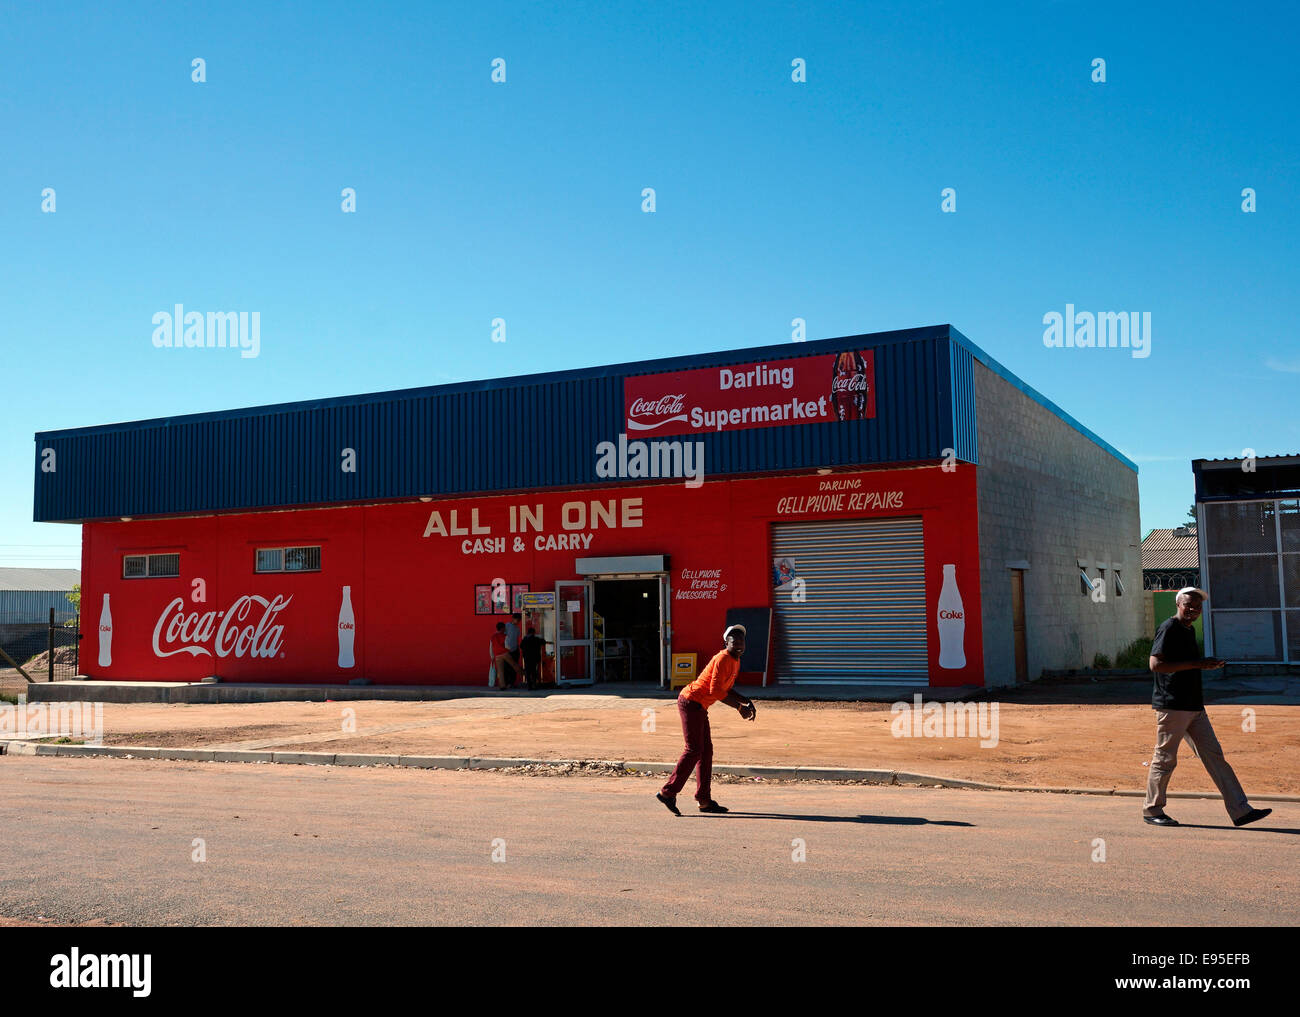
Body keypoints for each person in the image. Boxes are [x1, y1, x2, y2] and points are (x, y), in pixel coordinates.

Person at [1143, 587, 1271, 828]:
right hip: (1173, 706)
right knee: (1165, 759)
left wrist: (1203, 665)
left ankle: (1240, 811)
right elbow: (1155, 664)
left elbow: (1188, 665)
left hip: (1193, 706)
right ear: (1178, 604)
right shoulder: (1169, 628)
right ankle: (1152, 810)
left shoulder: (1188, 630)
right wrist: (1197, 664)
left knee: (1215, 757)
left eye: (1198, 607)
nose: (1193, 610)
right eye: (1189, 605)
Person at [656, 624, 756, 816]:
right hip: (690, 702)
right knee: (693, 750)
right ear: (726, 642)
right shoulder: (723, 658)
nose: (740, 644)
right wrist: (738, 707)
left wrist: (746, 701)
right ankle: (667, 792)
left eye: (742, 641)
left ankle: (704, 800)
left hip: (700, 706)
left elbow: (725, 688)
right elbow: (716, 691)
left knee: (706, 751)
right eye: (735, 641)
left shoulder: (734, 660)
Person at [489, 621, 519, 691]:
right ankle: (524, 675)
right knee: (514, 665)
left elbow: (491, 647)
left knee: (500, 671)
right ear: (502, 628)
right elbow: (507, 645)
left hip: (497, 655)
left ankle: (502, 686)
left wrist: (492, 656)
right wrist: (510, 649)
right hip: (505, 653)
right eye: (504, 628)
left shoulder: (493, 636)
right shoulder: (504, 636)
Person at [520, 626, 545, 691]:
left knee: (528, 672)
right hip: (534, 658)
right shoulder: (536, 639)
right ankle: (534, 685)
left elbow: (521, 646)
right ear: (533, 633)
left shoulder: (525, 639)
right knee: (534, 671)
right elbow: (543, 642)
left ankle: (529, 686)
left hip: (527, 658)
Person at [504, 613, 522, 688]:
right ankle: (506, 682)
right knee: (506, 667)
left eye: (519, 621)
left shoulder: (517, 629)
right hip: (507, 650)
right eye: (517, 620)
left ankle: (512, 683)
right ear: (513, 619)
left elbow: (518, 637)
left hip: (515, 650)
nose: (518, 622)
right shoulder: (507, 625)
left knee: (514, 668)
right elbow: (503, 636)